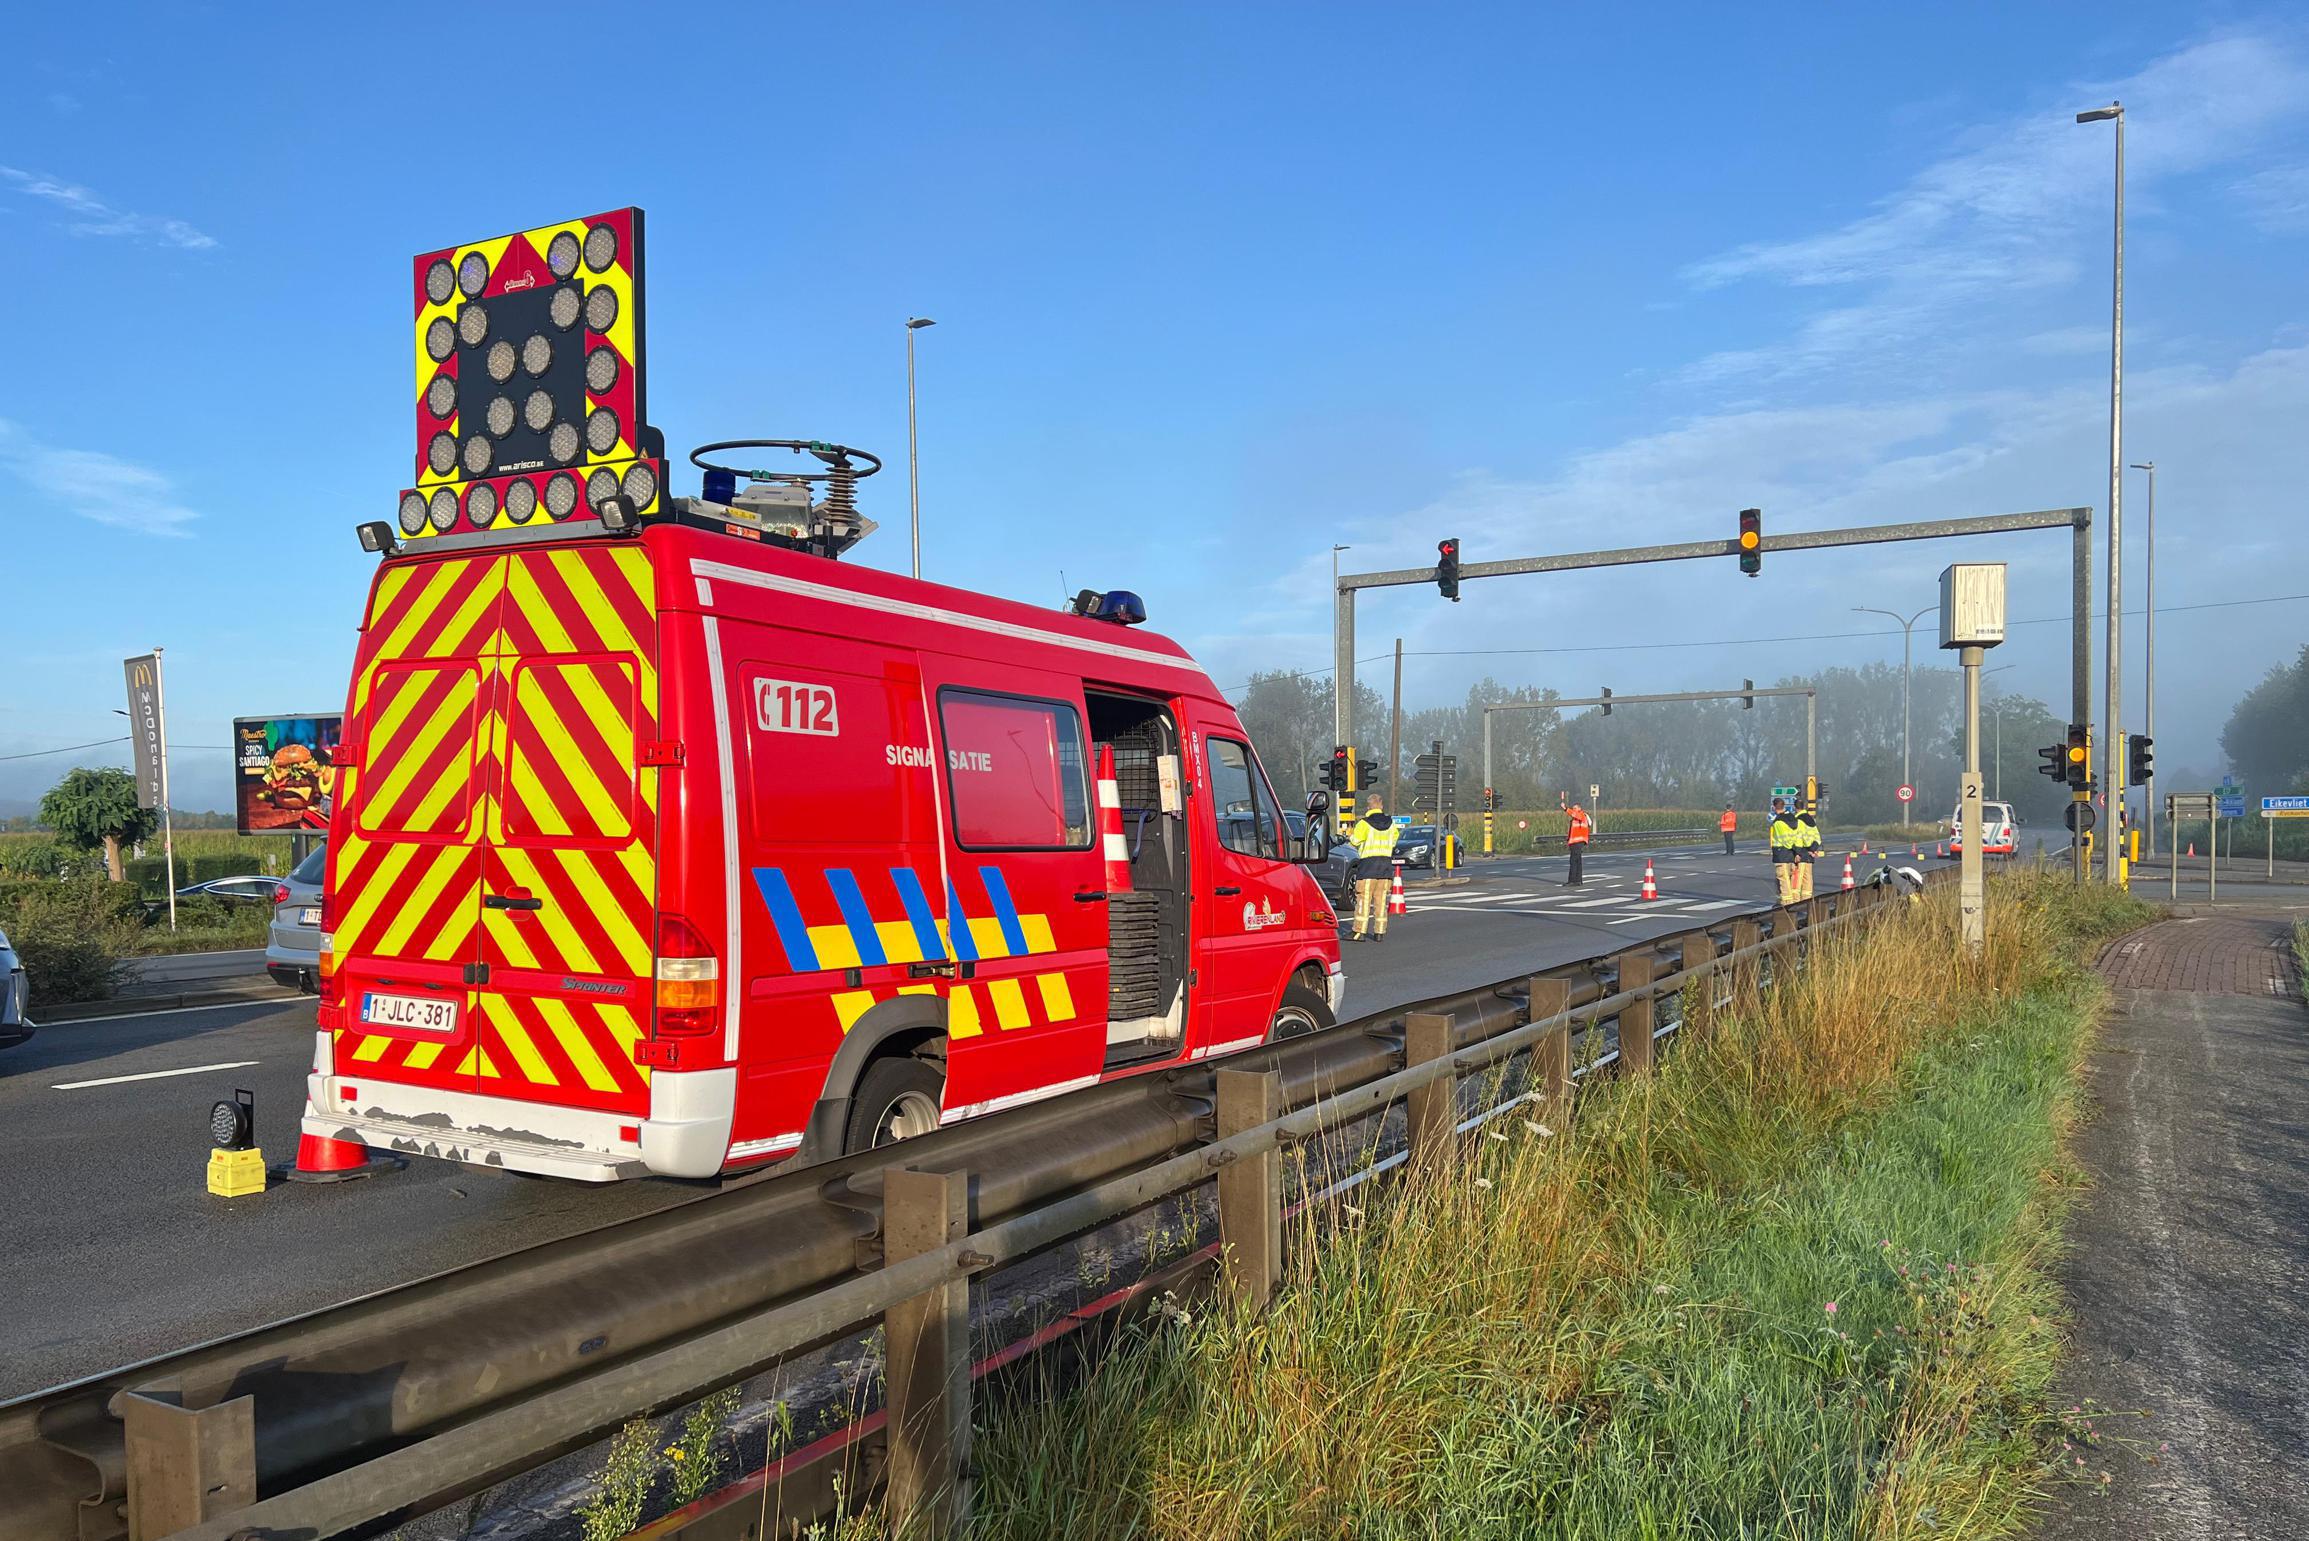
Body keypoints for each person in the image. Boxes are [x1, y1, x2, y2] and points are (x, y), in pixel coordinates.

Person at [1347, 800, 1401, 942]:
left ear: (1368, 807)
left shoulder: (1364, 823)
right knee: (1381, 900)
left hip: (1368, 867)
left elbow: (1355, 840)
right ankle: (1379, 932)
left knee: (1363, 900)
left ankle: (1359, 932)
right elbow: (1395, 840)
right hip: (1385, 867)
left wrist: (1349, 836)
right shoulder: (1391, 823)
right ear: (1381, 806)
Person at [1769, 796, 1803, 906]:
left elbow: (1784, 839)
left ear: (1774, 807)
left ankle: (1787, 903)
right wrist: (1797, 852)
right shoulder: (1793, 818)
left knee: (1783, 879)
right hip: (1792, 854)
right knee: (1790, 877)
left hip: (1781, 853)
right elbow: (1797, 836)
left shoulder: (1778, 822)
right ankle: (1793, 901)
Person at [1794, 800, 1823, 901]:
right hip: (1810, 853)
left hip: (1802, 852)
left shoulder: (1798, 820)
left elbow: (1798, 837)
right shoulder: (1810, 819)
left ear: (1795, 808)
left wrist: (1797, 852)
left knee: (1797, 880)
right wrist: (1813, 850)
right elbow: (1817, 838)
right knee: (1808, 879)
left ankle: (1796, 903)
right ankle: (1807, 901)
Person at [1561, 798, 1593, 886]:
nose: (1573, 810)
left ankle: (1572, 881)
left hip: (1577, 842)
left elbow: (1574, 814)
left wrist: (1565, 809)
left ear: (1579, 808)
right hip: (1576, 842)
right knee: (1578, 861)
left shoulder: (1581, 815)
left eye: (1575, 808)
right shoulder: (1577, 818)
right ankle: (1578, 880)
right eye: (1573, 808)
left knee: (1573, 861)